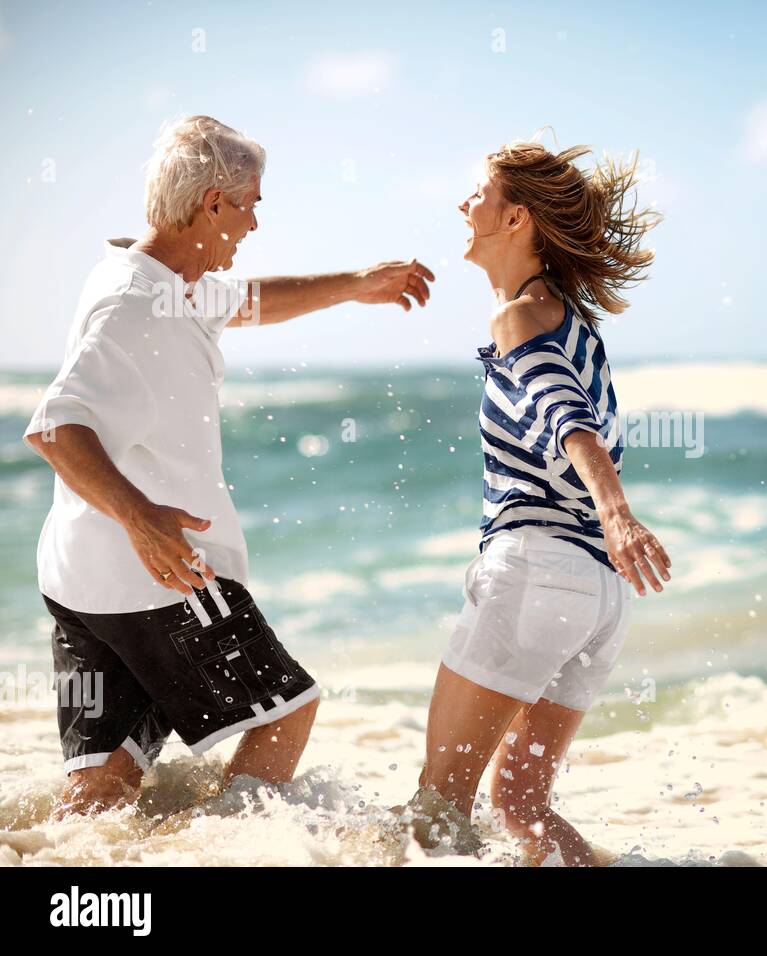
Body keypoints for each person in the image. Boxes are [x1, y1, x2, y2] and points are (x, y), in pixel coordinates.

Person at [23, 115, 434, 817]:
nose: (253, 225)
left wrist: (356, 284)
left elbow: (248, 301)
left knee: (104, 790)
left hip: (82, 580)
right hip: (156, 578)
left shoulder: (158, 280)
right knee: (286, 712)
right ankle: (235, 851)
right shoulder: (135, 305)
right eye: (250, 206)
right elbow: (56, 429)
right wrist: (143, 521)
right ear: (214, 202)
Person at [402, 138, 669, 865]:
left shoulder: (519, 317)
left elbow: (569, 420)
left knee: (438, 803)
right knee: (521, 806)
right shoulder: (569, 318)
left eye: (479, 194)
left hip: (537, 573)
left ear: (516, 218)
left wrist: (617, 512)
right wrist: (610, 526)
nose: (464, 204)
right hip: (599, 597)